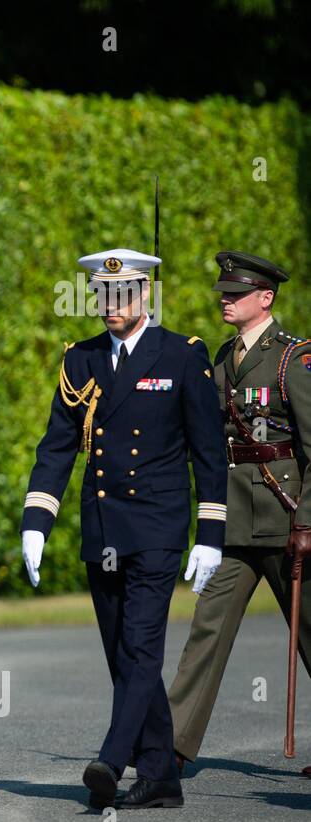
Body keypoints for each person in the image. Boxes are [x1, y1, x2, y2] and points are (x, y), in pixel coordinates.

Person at [21, 248, 227, 809]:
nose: (111, 305)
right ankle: (161, 777)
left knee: (141, 647)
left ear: (145, 297)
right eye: (103, 295)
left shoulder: (182, 355)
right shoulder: (80, 360)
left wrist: (210, 534)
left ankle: (113, 758)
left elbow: (209, 453)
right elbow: (58, 445)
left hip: (158, 526)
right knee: (121, 653)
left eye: (123, 295)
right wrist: (36, 519)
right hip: (104, 526)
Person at [164, 251, 311, 778]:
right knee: (207, 629)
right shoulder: (221, 357)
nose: (225, 300)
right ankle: (173, 748)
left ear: (265, 298)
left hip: (287, 517)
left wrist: (308, 523)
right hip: (234, 521)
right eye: (223, 293)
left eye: (236, 294)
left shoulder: (295, 358)